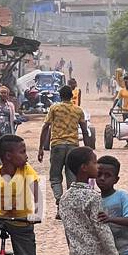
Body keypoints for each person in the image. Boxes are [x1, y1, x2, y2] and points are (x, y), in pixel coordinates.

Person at [38, 84, 92, 217]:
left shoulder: (54, 108)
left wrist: (41, 148)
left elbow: (45, 127)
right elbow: (85, 131)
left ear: (60, 96)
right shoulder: (78, 110)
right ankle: (69, 208)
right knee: (72, 178)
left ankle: (60, 205)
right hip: (73, 146)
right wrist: (88, 150)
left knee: (55, 177)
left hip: (57, 145)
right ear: (72, 96)